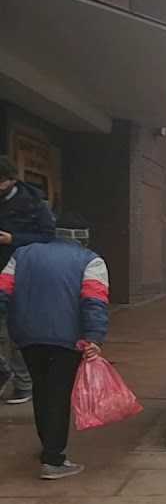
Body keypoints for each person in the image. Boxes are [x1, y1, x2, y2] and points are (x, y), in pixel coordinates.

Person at [0, 224, 108, 479]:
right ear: (84, 236)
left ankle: (47, 445)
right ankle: (53, 459)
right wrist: (94, 337)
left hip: (27, 336)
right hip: (67, 338)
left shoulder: (22, 254)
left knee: (42, 389)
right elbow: (94, 301)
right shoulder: (90, 260)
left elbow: (2, 291)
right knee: (58, 394)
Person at [0, 156, 57, 405]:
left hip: (19, 273)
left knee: (17, 331)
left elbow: (47, 237)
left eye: (1, 182)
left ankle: (23, 383)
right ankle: (3, 373)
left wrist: (13, 239)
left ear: (12, 180)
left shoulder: (35, 204)